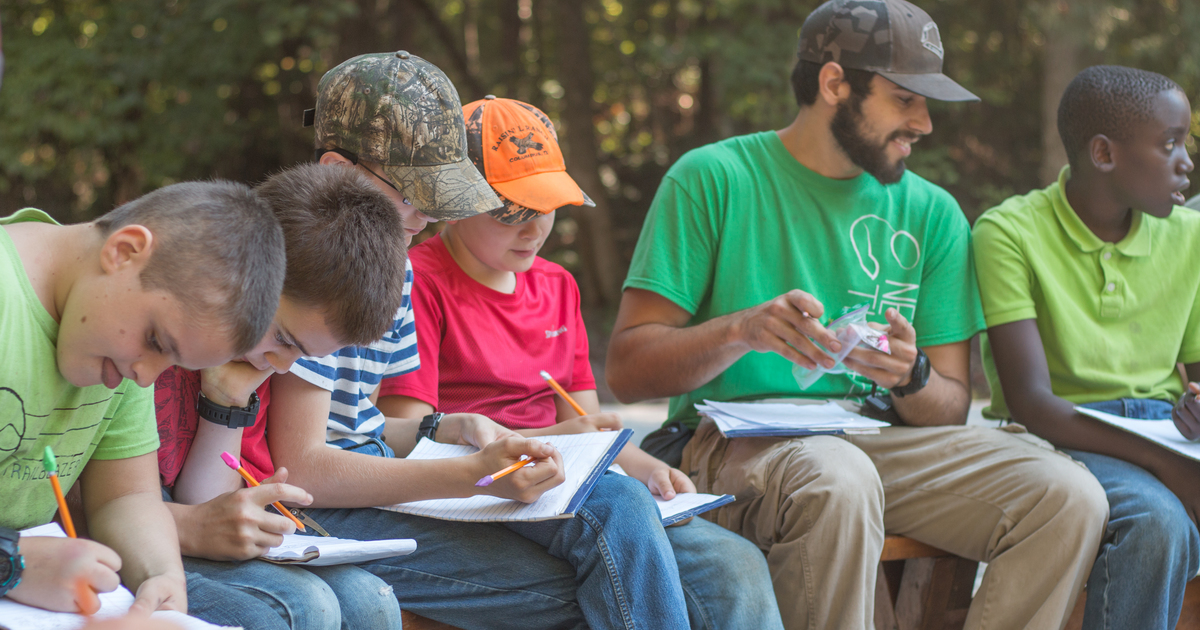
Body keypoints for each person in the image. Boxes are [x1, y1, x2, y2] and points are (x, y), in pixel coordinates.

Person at [604, 0, 1110, 627]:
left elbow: (950, 407)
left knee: (1069, 496)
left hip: (878, 448)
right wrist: (741, 330)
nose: (924, 122)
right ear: (834, 82)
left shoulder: (933, 213)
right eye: (904, 99)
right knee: (838, 478)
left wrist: (912, 376)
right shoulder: (713, 178)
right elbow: (628, 370)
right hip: (733, 448)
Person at [267, 51, 696, 630]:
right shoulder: (312, 267)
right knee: (591, 586)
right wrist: (468, 474)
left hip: (378, 481)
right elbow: (303, 465)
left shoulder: (397, 264)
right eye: (411, 195)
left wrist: (449, 428)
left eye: (437, 199)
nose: (423, 219)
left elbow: (361, 426)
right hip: (322, 511)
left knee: (617, 508)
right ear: (339, 169)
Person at [377, 95, 785, 629]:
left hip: (571, 484)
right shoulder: (417, 282)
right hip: (479, 490)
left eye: (544, 205)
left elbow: (590, 427)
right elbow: (415, 440)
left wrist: (647, 468)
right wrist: (561, 434)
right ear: (452, 203)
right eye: (510, 212)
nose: (533, 229)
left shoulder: (556, 285)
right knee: (614, 526)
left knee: (736, 564)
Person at [974, 65, 1199, 630]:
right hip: (1058, 437)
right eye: (1170, 144)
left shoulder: (1190, 238)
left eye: (1187, 145)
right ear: (1104, 153)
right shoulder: (1008, 232)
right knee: (1157, 522)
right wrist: (1168, 465)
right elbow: (1032, 402)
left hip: (1166, 434)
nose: (1187, 162)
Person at [0, 182, 286, 614]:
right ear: (125, 250)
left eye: (173, 364)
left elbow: (125, 498)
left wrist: (163, 580)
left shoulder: (122, 355)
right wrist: (11, 563)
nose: (145, 376)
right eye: (155, 340)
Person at [153, 164, 407, 630]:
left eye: (301, 352)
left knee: (371, 600)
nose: (285, 365)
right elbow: (117, 508)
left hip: (176, 523)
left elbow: (203, 497)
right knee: (303, 608)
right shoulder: (153, 345)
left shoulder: (252, 359)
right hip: (132, 537)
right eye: (285, 339)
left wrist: (225, 404)